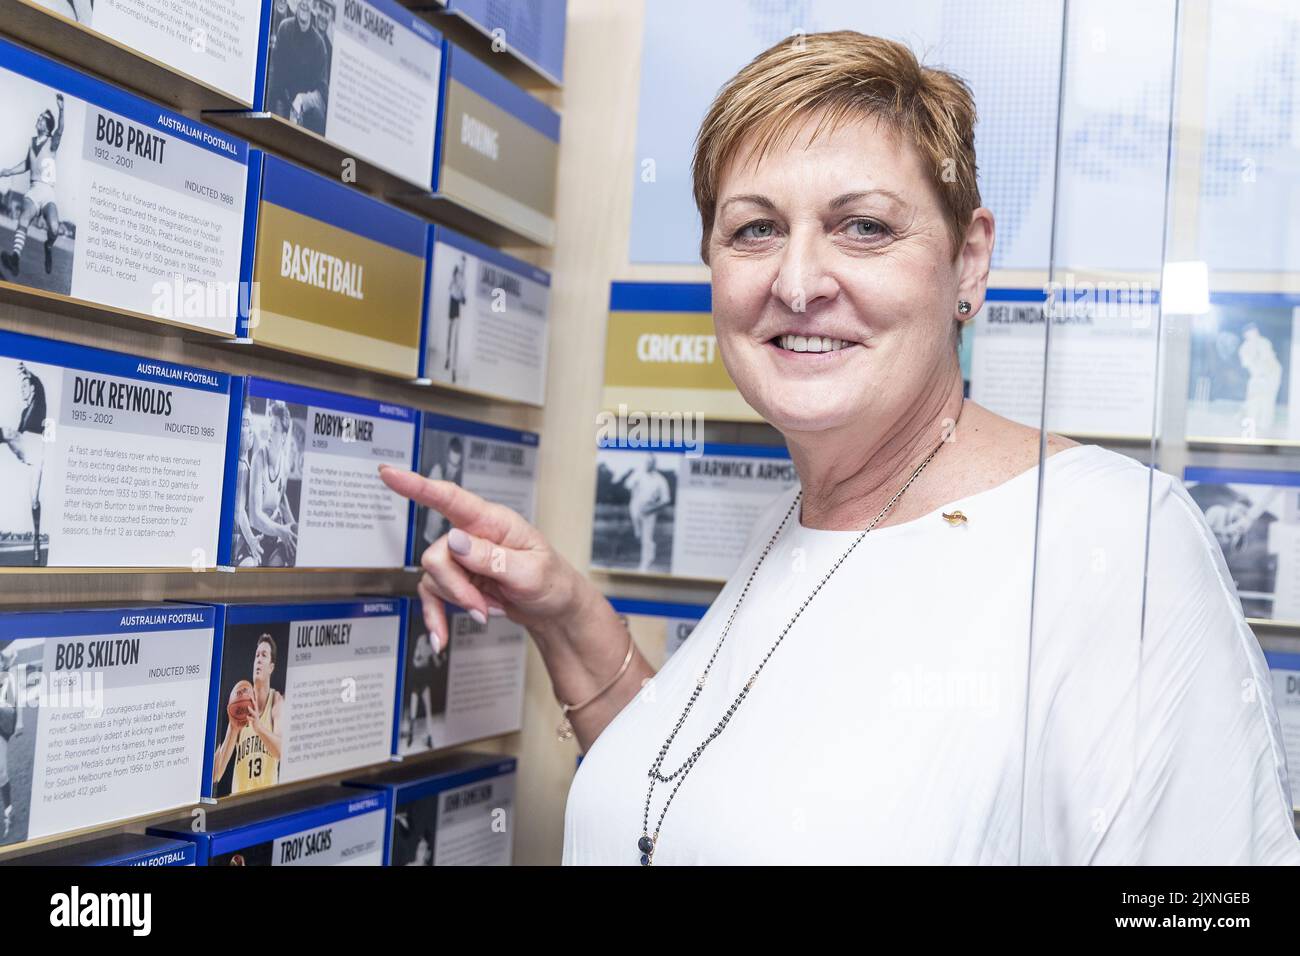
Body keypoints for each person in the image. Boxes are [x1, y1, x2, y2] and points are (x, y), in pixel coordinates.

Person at [379, 31, 1300, 865]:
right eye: (756, 229)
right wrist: (567, 617)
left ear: (967, 262)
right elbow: (703, 817)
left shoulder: (1116, 547)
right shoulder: (803, 517)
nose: (798, 281)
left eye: (863, 226)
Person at [0, 94, 66, 279]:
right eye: (39, 118)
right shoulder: (31, 142)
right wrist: (9, 171)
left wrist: (61, 109)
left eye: (42, 119)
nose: (38, 120)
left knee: (53, 229)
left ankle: (48, 246)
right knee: (23, 219)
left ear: (48, 125)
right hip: (33, 190)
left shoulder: (52, 142)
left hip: (48, 193)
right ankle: (15, 258)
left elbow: (60, 130)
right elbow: (27, 164)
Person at [212, 635, 284, 794]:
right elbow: (215, 775)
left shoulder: (276, 702)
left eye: (264, 655)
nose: (258, 659)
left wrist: (259, 728)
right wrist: (233, 729)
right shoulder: (240, 705)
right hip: (238, 802)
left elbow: (281, 751)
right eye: (257, 655)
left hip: (265, 803)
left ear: (271, 667)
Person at [1, 364, 46, 566]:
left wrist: (31, 375)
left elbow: (40, 387)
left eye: (25, 387)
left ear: (32, 389)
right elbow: (15, 436)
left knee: (34, 502)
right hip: (25, 448)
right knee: (8, 432)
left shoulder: (39, 403)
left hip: (36, 452)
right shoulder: (23, 412)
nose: (22, 390)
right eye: (21, 388)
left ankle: (36, 539)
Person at [267, 0, 330, 136]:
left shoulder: (319, 45)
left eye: (309, 1)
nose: (305, 3)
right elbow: (275, 74)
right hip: (281, 100)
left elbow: (322, 94)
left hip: (305, 110)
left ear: (314, 7)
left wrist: (303, 100)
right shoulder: (284, 29)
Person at [247, 400, 298, 567]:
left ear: (283, 436)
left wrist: (293, 528)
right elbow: (254, 518)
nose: (270, 431)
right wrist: (281, 530)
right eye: (270, 425)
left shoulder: (285, 464)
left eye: (275, 428)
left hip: (273, 535)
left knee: (292, 553)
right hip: (255, 535)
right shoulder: (258, 459)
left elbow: (281, 498)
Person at [615, 454, 671, 572]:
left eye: (650, 462)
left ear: (654, 464)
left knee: (646, 538)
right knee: (639, 534)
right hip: (635, 506)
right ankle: (639, 532)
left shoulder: (660, 479)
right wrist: (633, 486)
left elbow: (666, 500)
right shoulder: (638, 473)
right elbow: (627, 485)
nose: (647, 464)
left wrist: (652, 507)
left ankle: (644, 564)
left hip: (650, 510)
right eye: (646, 462)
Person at [444, 257, 468, 384]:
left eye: (465, 265)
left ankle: (454, 369)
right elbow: (449, 288)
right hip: (451, 302)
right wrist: (453, 279)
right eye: (462, 264)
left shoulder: (465, 281)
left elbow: (463, 297)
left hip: (457, 305)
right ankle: (447, 358)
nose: (463, 266)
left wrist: (464, 299)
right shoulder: (455, 274)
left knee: (456, 339)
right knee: (449, 335)